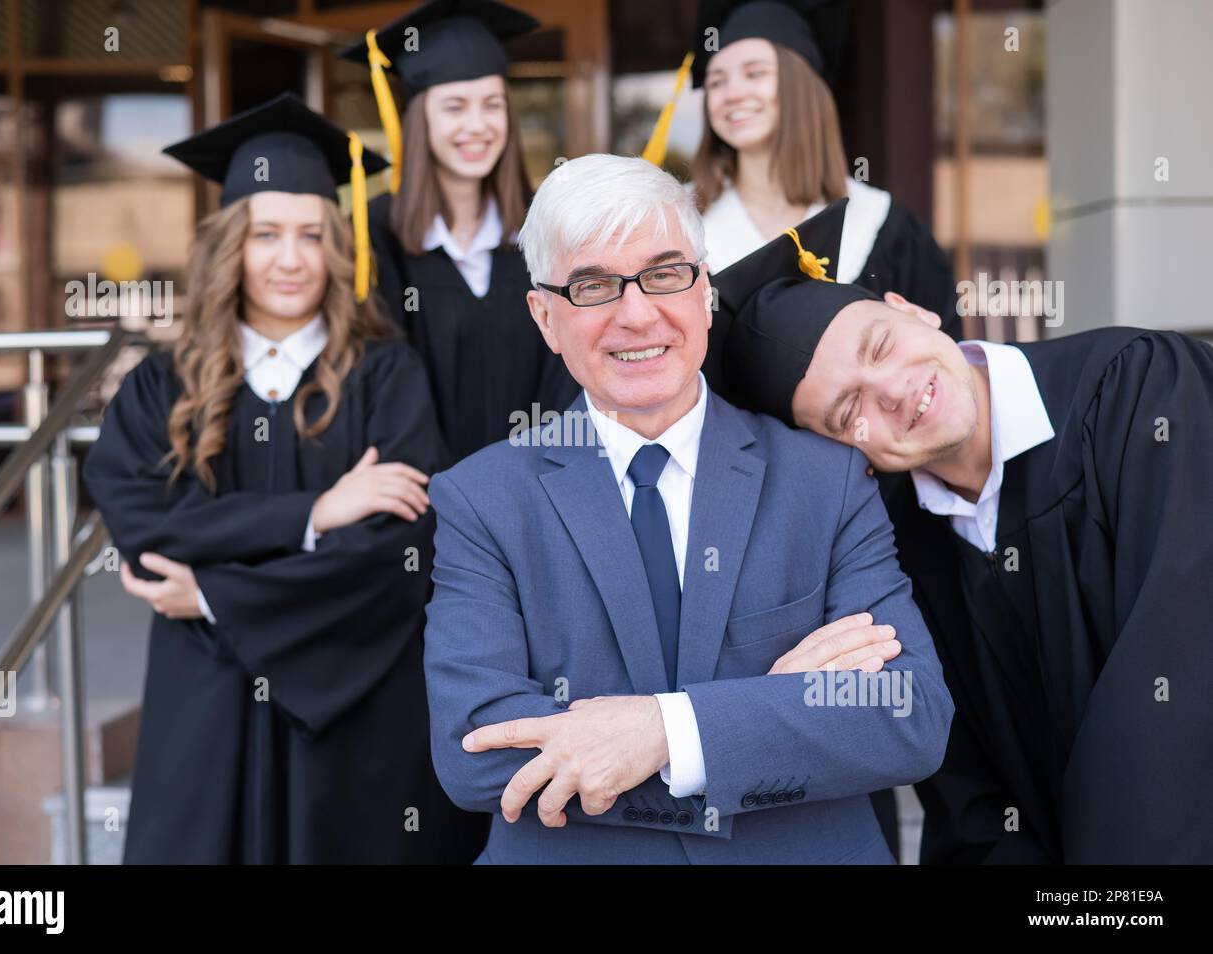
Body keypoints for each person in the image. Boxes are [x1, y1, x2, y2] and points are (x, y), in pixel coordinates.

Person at [421, 153, 953, 864]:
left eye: (666, 273)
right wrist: (770, 715)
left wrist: (665, 734)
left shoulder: (825, 480)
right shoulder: (483, 499)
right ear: (545, 317)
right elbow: (476, 751)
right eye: (593, 286)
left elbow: (905, 713)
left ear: (705, 292)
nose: (637, 314)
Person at [707, 199, 1213, 863]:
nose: (890, 391)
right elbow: (971, 808)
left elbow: (1172, 698)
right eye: (848, 410)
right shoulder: (902, 562)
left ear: (911, 308)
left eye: (880, 345)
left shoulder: (1142, 393)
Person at [83, 93, 484, 863]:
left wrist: (211, 595)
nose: (290, 258)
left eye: (310, 235)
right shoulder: (163, 387)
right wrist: (319, 512)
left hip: (352, 705)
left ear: (337, 248)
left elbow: (398, 557)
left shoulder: (385, 378)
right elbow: (147, 525)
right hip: (203, 707)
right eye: (265, 234)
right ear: (229, 246)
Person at [340, 0, 576, 463]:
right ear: (419, 120)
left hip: (539, 496)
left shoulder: (547, 228)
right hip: (419, 504)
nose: (477, 125)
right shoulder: (371, 239)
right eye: (454, 106)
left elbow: (567, 373)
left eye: (492, 104)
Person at [681, 0, 960, 338]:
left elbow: (944, 351)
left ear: (802, 86)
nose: (732, 93)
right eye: (716, 82)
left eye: (754, 73)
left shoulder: (885, 228)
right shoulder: (682, 226)